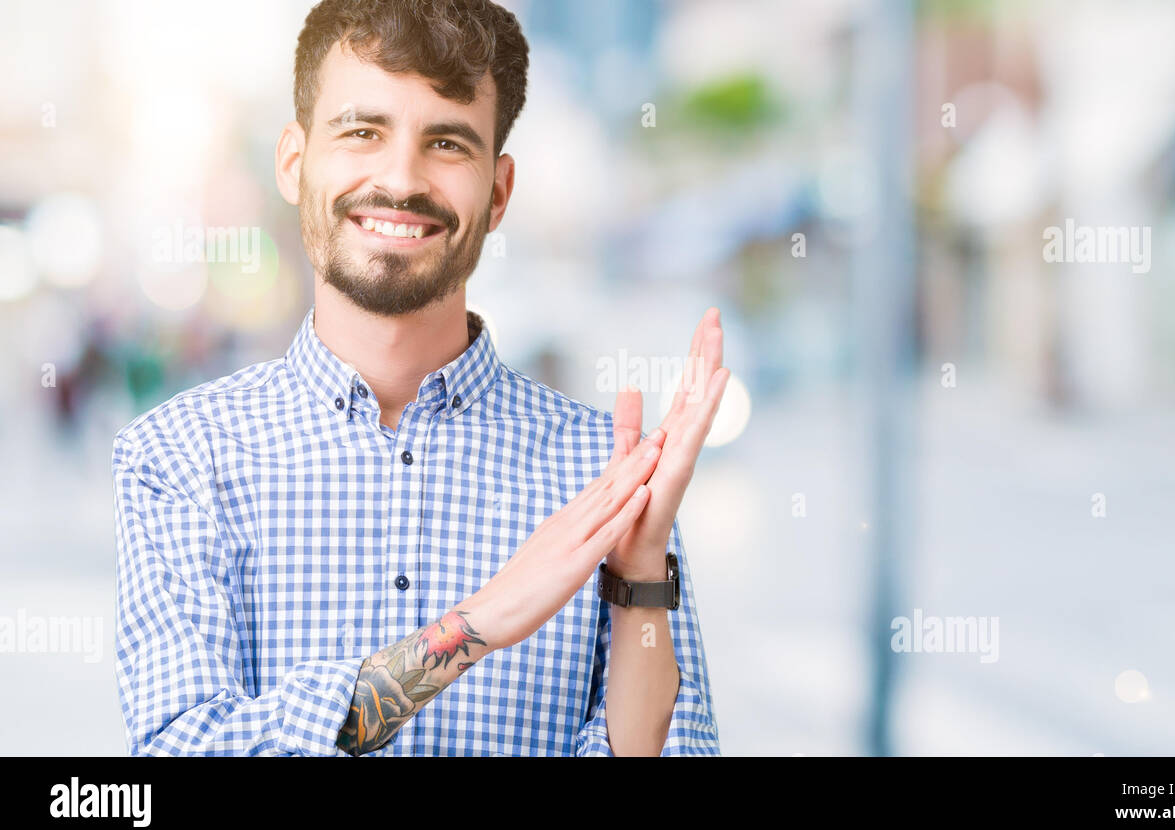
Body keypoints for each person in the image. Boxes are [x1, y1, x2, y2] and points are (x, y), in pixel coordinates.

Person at [111, 0, 729, 756]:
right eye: (362, 132)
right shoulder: (178, 457)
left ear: (498, 193)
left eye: (446, 143)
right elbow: (181, 750)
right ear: (293, 161)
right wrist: (471, 629)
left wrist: (638, 579)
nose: (400, 179)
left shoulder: (606, 476)